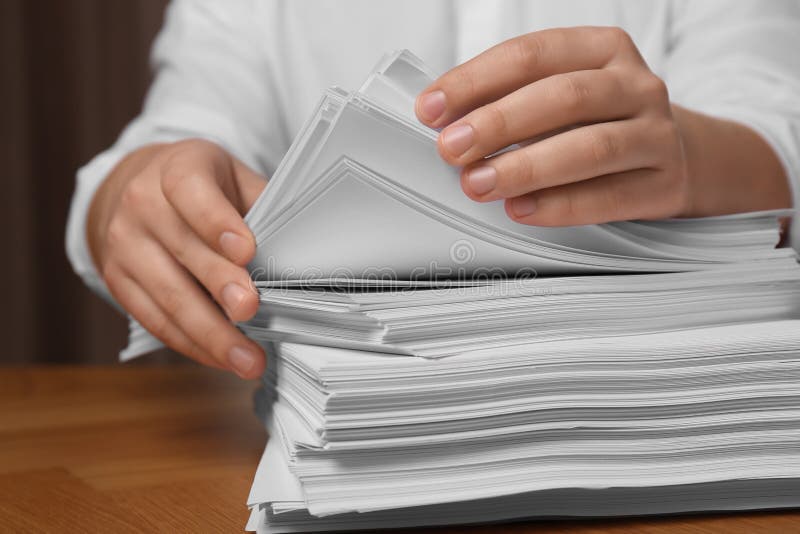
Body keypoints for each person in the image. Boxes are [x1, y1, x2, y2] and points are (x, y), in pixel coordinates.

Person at [66, 0, 800, 379]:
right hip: (337, 425)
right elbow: (182, 129)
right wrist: (133, 194)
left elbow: (775, 120)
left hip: (667, 406)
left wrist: (688, 152)